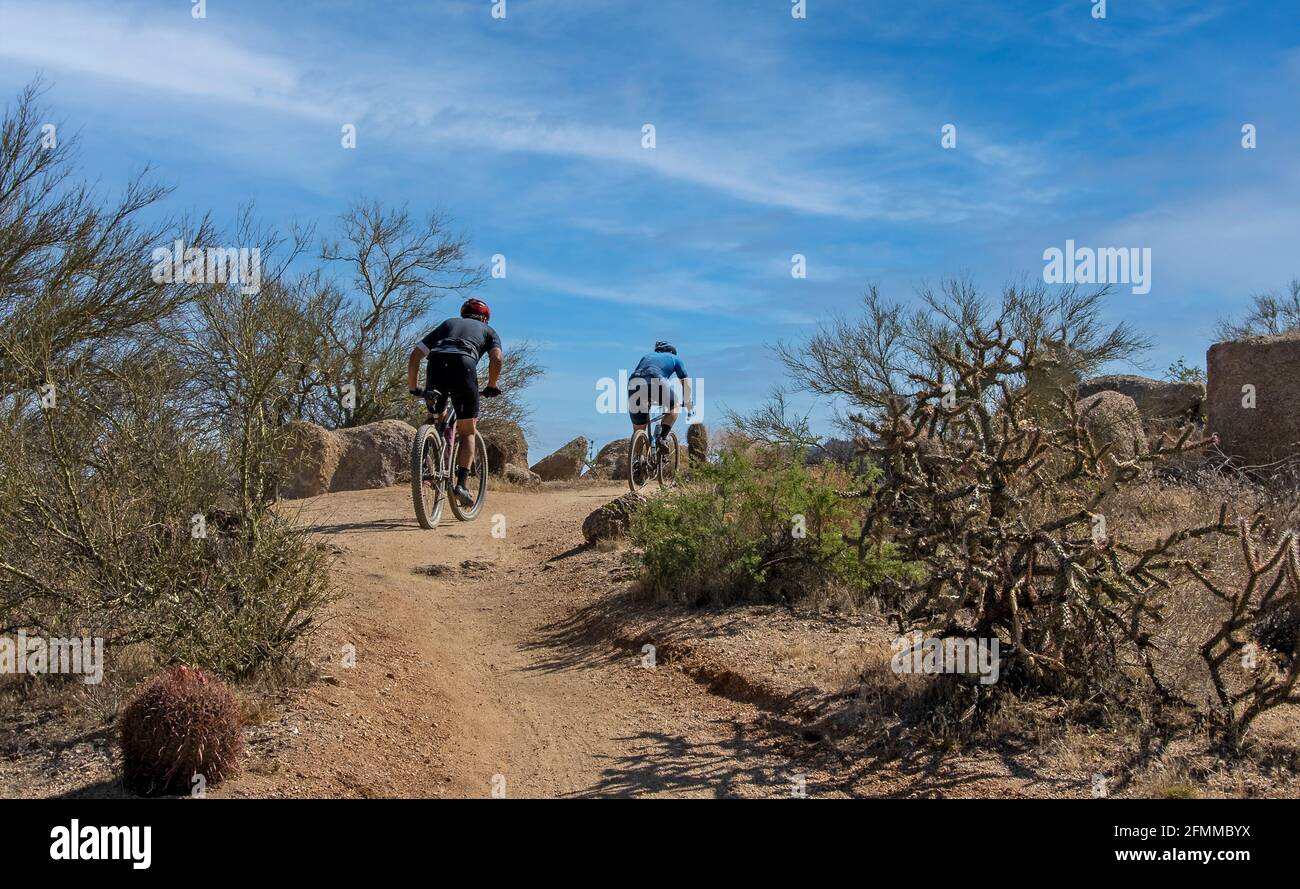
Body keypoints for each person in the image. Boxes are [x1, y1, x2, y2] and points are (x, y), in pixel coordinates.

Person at [407, 297, 503, 505]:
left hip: (436, 365)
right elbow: (496, 359)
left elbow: (415, 356)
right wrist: (492, 385)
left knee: (436, 417)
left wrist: (414, 388)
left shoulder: (447, 324)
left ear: (463, 313)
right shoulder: (489, 331)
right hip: (464, 366)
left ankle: (424, 463)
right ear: (484, 318)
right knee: (468, 431)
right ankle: (461, 485)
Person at [627, 341, 691, 443]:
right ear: (672, 351)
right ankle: (662, 438)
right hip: (655, 379)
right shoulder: (675, 358)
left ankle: (636, 456)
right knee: (674, 406)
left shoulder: (647, 356)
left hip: (633, 383)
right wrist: (687, 402)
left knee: (639, 427)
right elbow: (685, 383)